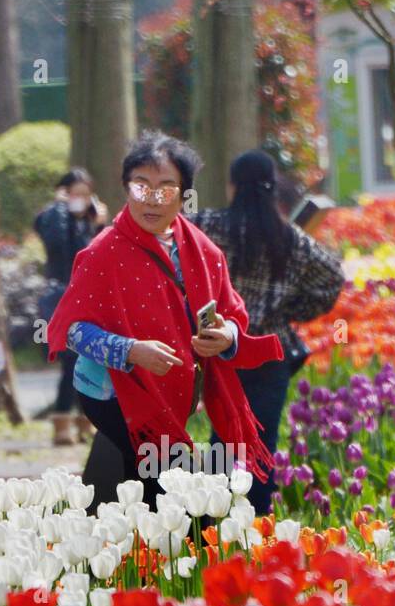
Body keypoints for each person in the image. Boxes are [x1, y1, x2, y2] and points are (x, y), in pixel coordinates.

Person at [46, 130, 282, 510]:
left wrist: (227, 336)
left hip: (174, 394)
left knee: (133, 488)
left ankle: (120, 553)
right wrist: (130, 350)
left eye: (166, 187)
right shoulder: (103, 252)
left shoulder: (202, 250)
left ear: (183, 193)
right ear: (126, 189)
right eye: (141, 186)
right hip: (111, 394)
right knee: (172, 491)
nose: (152, 198)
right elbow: (70, 331)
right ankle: (165, 557)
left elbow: (233, 312)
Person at [193, 150, 345, 514]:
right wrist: (292, 310)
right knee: (261, 445)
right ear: (273, 187)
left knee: (222, 444)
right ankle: (257, 527)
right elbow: (332, 278)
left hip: (220, 353)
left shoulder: (207, 226)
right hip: (269, 353)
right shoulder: (289, 237)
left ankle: (214, 528)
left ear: (232, 186)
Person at [35, 168, 108, 445]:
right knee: (70, 361)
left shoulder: (87, 224)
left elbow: (96, 256)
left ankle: (84, 420)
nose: (81, 200)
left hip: (88, 300)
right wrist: (59, 207)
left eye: (85, 195)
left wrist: (98, 225)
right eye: (75, 194)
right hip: (61, 300)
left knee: (88, 360)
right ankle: (63, 421)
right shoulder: (51, 218)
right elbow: (56, 244)